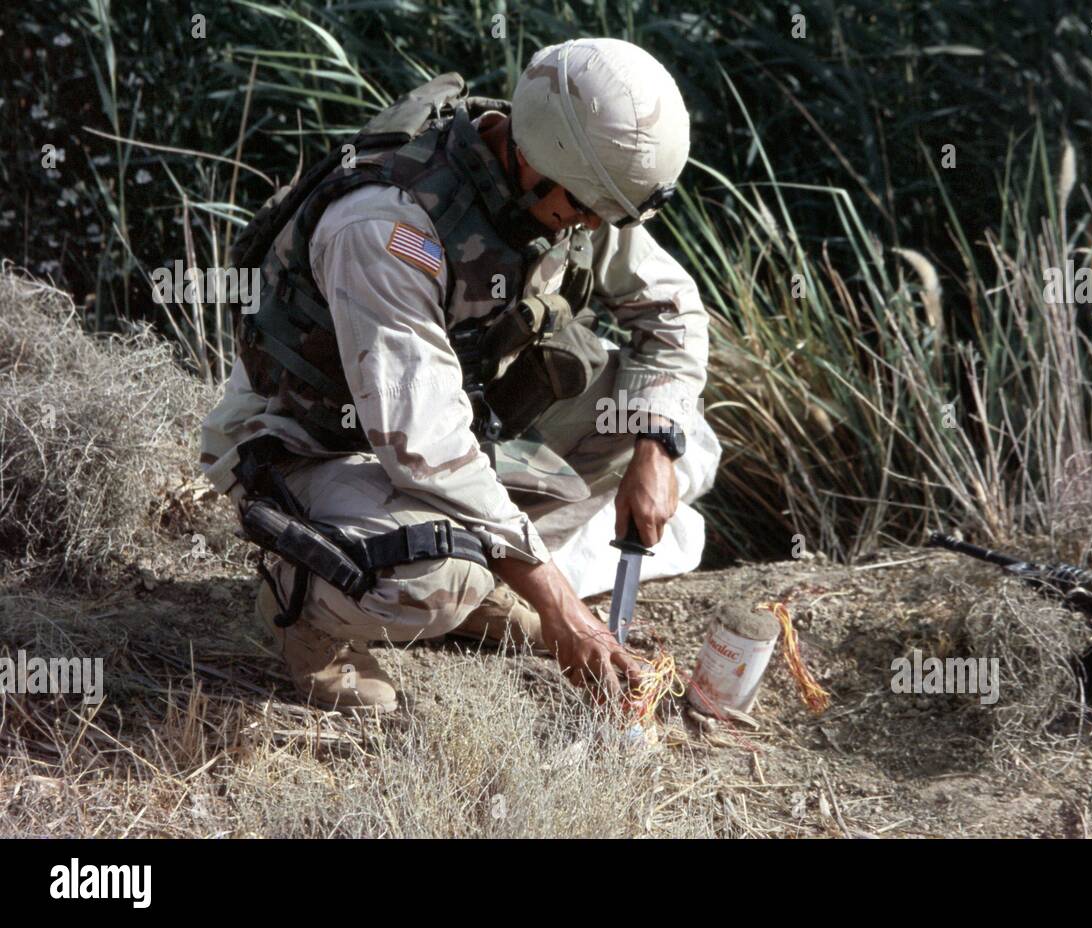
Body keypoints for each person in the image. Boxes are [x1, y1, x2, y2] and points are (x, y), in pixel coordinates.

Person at [198, 37, 709, 713]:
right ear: (536, 161)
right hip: (309, 445)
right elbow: (425, 448)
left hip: (452, 420)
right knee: (438, 577)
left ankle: (487, 575)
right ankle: (302, 610)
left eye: (602, 215)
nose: (591, 227)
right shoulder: (386, 227)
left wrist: (655, 445)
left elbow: (672, 310)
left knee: (661, 421)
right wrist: (562, 608)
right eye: (584, 210)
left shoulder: (580, 178)